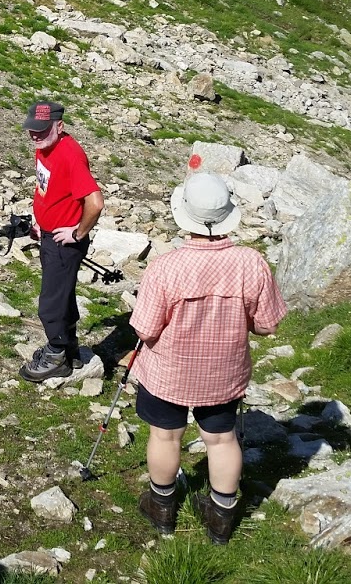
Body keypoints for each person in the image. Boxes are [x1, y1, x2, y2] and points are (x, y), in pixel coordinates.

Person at [127, 172, 287, 544]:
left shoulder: (166, 267)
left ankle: (162, 507)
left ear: (185, 215)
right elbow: (266, 326)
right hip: (223, 375)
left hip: (169, 373)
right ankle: (220, 518)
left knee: (165, 436)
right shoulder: (251, 263)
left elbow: (146, 330)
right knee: (221, 439)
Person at [19, 100, 104, 383]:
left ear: (60, 126)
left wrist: (77, 233)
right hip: (48, 232)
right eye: (32, 130)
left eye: (42, 131)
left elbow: (95, 202)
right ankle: (70, 349)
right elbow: (46, 188)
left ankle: (57, 356)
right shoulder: (44, 148)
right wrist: (39, 221)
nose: (35, 136)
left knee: (50, 304)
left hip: (64, 242)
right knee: (62, 296)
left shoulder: (70, 155)